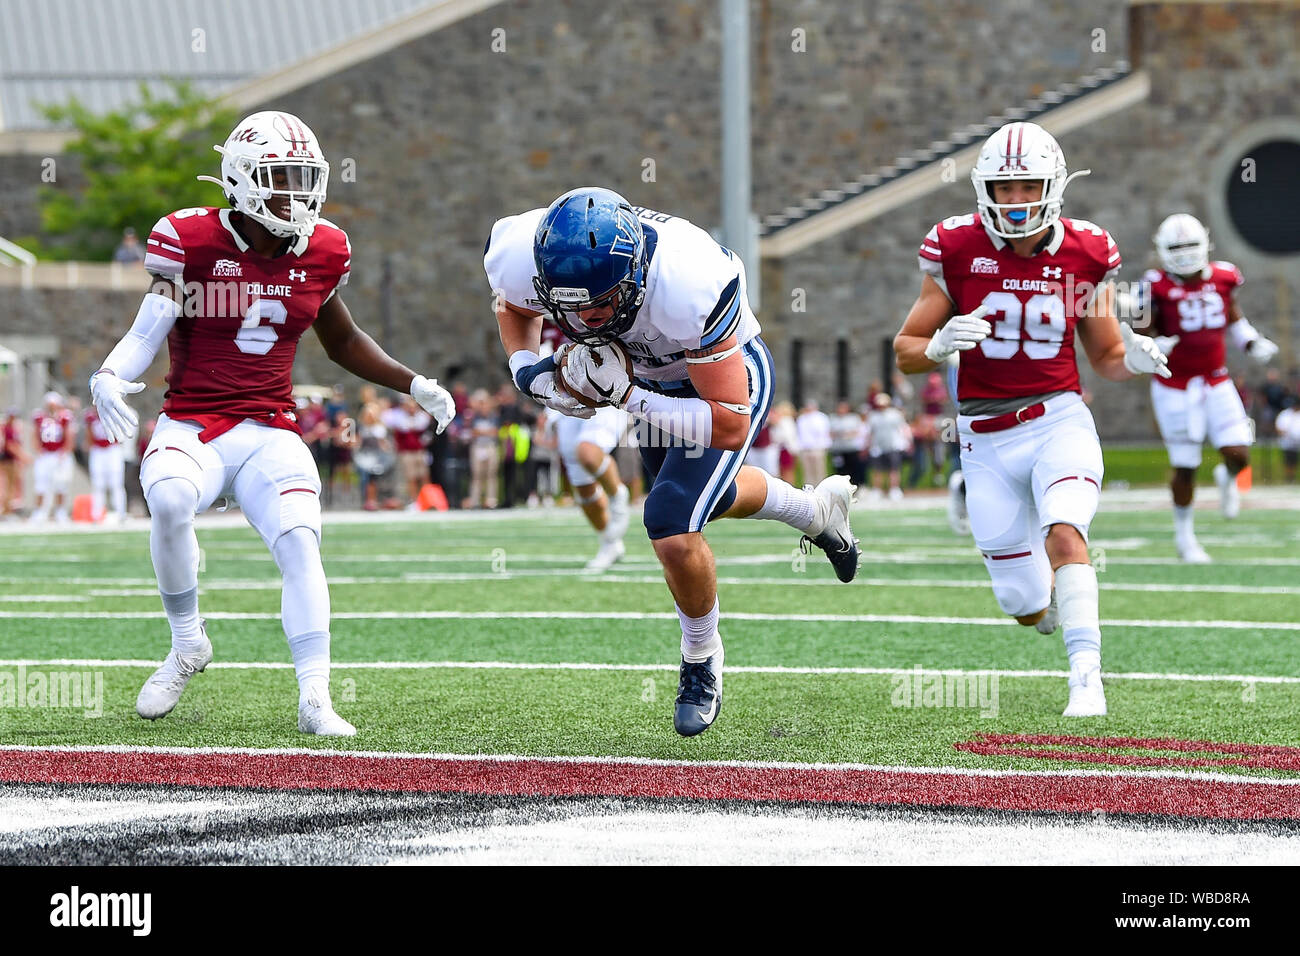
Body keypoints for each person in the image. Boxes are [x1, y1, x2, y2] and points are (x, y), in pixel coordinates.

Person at [88, 111, 455, 736]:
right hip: (194, 422)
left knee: (300, 545)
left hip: (270, 430)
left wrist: (413, 383)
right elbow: (149, 326)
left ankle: (316, 696)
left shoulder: (324, 248)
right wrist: (109, 373)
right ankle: (188, 644)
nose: (298, 193)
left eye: (304, 178)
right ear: (240, 179)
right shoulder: (190, 240)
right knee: (171, 502)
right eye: (282, 177)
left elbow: (342, 340)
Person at [487, 186, 860, 737]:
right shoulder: (522, 253)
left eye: (600, 302)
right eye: (571, 306)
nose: (587, 320)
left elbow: (728, 423)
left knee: (670, 520)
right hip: (646, 376)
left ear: (636, 274)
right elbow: (513, 306)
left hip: (717, 386)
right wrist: (527, 369)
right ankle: (815, 513)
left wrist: (628, 397)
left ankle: (701, 654)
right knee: (712, 496)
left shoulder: (689, 280)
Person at [894, 121, 1171, 717]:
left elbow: (1105, 357)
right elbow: (905, 350)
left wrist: (1139, 362)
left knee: (1065, 532)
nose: (1017, 201)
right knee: (1022, 602)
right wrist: (939, 345)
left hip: (1058, 421)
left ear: (1054, 186)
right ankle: (1046, 608)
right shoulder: (957, 247)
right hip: (984, 439)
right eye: (1005, 187)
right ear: (984, 190)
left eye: (1028, 186)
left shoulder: (1087, 251)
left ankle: (1086, 678)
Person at [1138, 214, 1278, 563]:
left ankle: (1226, 478)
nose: (1184, 253)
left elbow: (1234, 318)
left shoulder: (1224, 277)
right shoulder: (1153, 285)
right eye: (1176, 247)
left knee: (1239, 453)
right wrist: (1153, 344)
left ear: (1205, 244)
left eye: (1189, 245)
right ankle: (1185, 539)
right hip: (1174, 386)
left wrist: (1251, 342)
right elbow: (1141, 330)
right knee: (1185, 464)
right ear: (1161, 250)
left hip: (1216, 379)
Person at [30, 391, 74, 523]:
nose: (52, 407)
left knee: (61, 484)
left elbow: (69, 436)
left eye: (54, 404)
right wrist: (38, 450)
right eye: (50, 404)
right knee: (40, 484)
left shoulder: (65, 417)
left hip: (59, 454)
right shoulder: (39, 417)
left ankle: (60, 511)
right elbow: (35, 435)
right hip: (45, 454)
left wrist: (65, 452)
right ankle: (39, 511)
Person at [382, 393, 431, 507]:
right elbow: (387, 420)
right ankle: (415, 501)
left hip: (420, 451)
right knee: (411, 477)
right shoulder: (398, 417)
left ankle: (426, 500)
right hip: (406, 452)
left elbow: (426, 432)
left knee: (424, 476)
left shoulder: (422, 417)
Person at [84, 405, 128, 523]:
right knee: (98, 484)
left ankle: (121, 513)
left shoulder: (114, 412)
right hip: (98, 450)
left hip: (113, 449)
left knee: (116, 483)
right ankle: (96, 515)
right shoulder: (90, 416)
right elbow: (89, 434)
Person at [866, 392, 909, 501]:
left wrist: (906, 442)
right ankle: (877, 490)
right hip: (878, 447)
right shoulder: (873, 416)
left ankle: (894, 489)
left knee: (894, 469)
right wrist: (868, 445)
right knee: (877, 470)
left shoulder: (895, 414)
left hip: (893, 445)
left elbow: (903, 428)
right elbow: (870, 432)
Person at [795, 400, 831, 486]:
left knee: (819, 470)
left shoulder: (821, 417)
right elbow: (799, 433)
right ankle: (809, 489)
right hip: (805, 448)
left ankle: (821, 488)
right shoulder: (802, 419)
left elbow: (823, 432)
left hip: (817, 448)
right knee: (807, 471)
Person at [1, 409, 28, 517]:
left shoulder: (11, 429)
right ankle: (6, 511)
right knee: (8, 485)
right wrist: (23, 457)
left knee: (11, 485)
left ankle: (7, 510)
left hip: (10, 460)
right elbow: (9, 445)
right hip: (7, 460)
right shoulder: (8, 429)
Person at [1276, 403, 1300, 484]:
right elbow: (1279, 427)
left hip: (1298, 443)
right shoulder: (1285, 414)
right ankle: (1289, 478)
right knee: (1289, 461)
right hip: (1288, 442)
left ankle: (1293, 478)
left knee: (1295, 462)